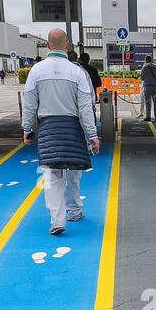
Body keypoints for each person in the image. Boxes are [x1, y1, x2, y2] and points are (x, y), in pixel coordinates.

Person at [21, 28, 100, 236]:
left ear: (48, 45)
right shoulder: (78, 73)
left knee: (53, 175)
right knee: (74, 171)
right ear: (67, 46)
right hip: (73, 128)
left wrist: (27, 129)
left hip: (48, 128)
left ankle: (57, 220)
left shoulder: (36, 71)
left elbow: (29, 104)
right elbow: (86, 108)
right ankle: (74, 211)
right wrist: (92, 135)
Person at [139, 54, 156, 121]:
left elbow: (142, 78)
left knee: (148, 103)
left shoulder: (145, 67)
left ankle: (148, 117)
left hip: (147, 87)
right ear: (151, 60)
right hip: (155, 87)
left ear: (146, 60)